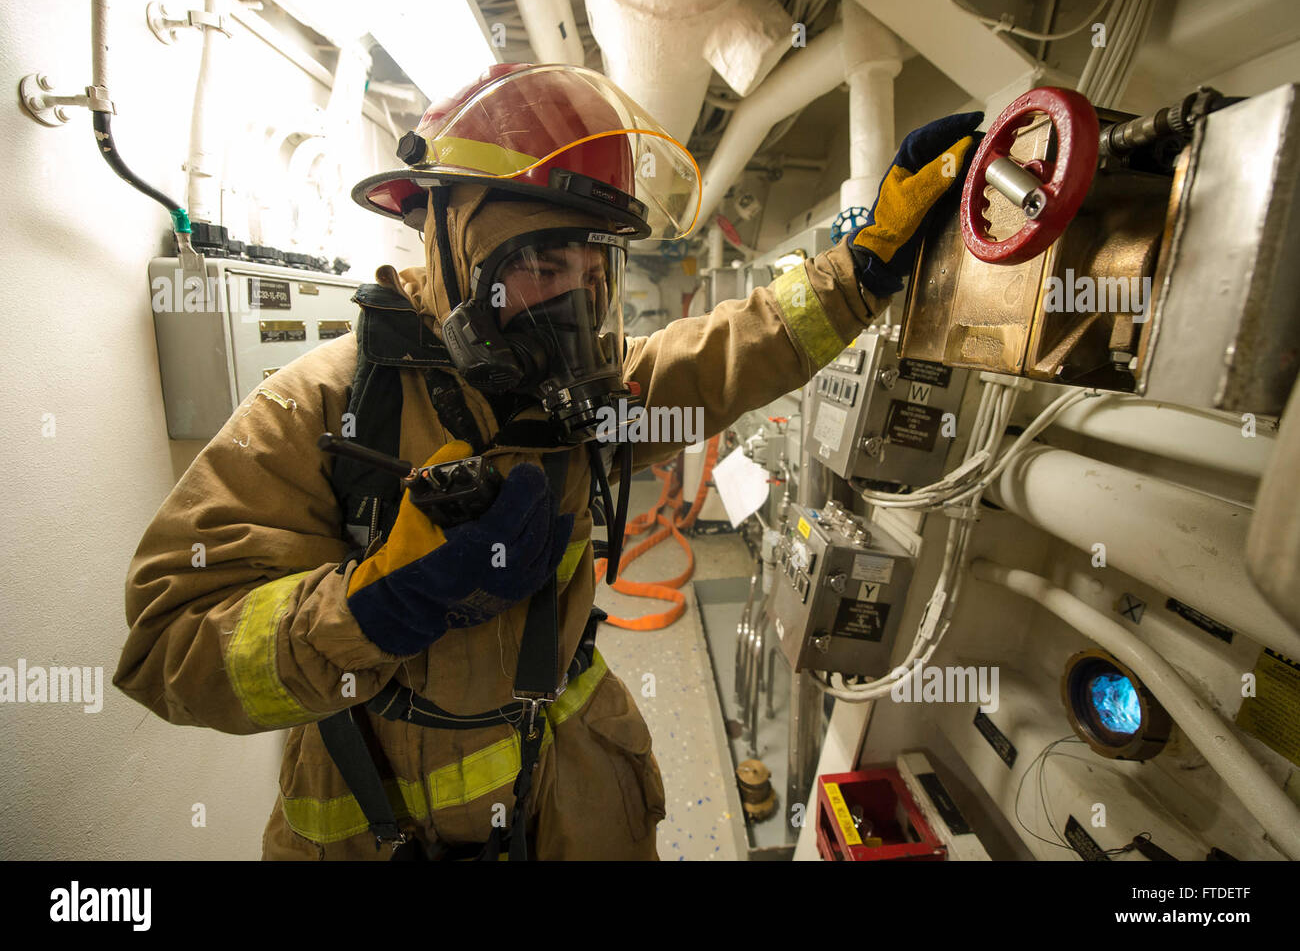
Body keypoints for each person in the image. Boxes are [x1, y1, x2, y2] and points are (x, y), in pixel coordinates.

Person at [116, 61, 981, 860]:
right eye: (534, 263)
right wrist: (373, 605)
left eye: (588, 267)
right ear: (447, 239)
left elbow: (726, 357)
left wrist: (861, 271)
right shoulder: (321, 407)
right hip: (376, 824)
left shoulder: (577, 396)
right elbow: (167, 650)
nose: (568, 301)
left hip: (560, 788)